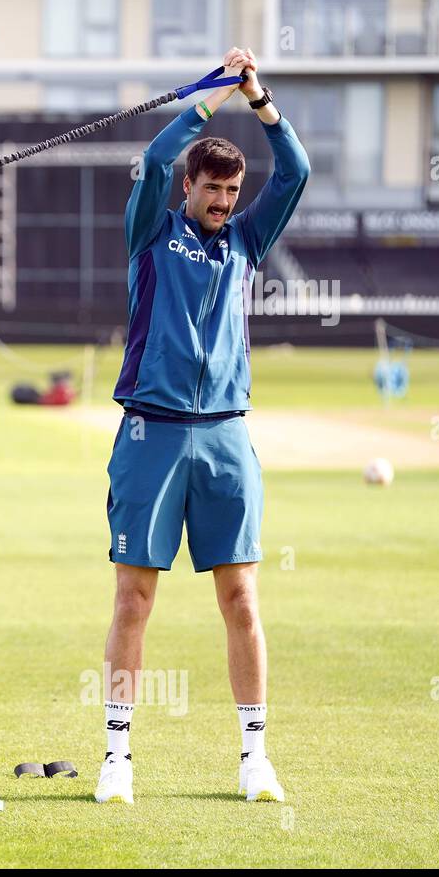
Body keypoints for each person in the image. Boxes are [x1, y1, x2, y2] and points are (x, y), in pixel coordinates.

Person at [96, 48, 310, 805]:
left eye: (230, 191)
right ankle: (117, 757)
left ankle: (255, 756)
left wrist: (259, 100)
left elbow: (297, 173)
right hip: (151, 434)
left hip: (224, 434)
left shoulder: (246, 242)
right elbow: (154, 158)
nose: (222, 201)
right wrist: (210, 93)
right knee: (134, 599)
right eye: (211, 189)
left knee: (242, 598)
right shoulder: (153, 231)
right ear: (189, 188)